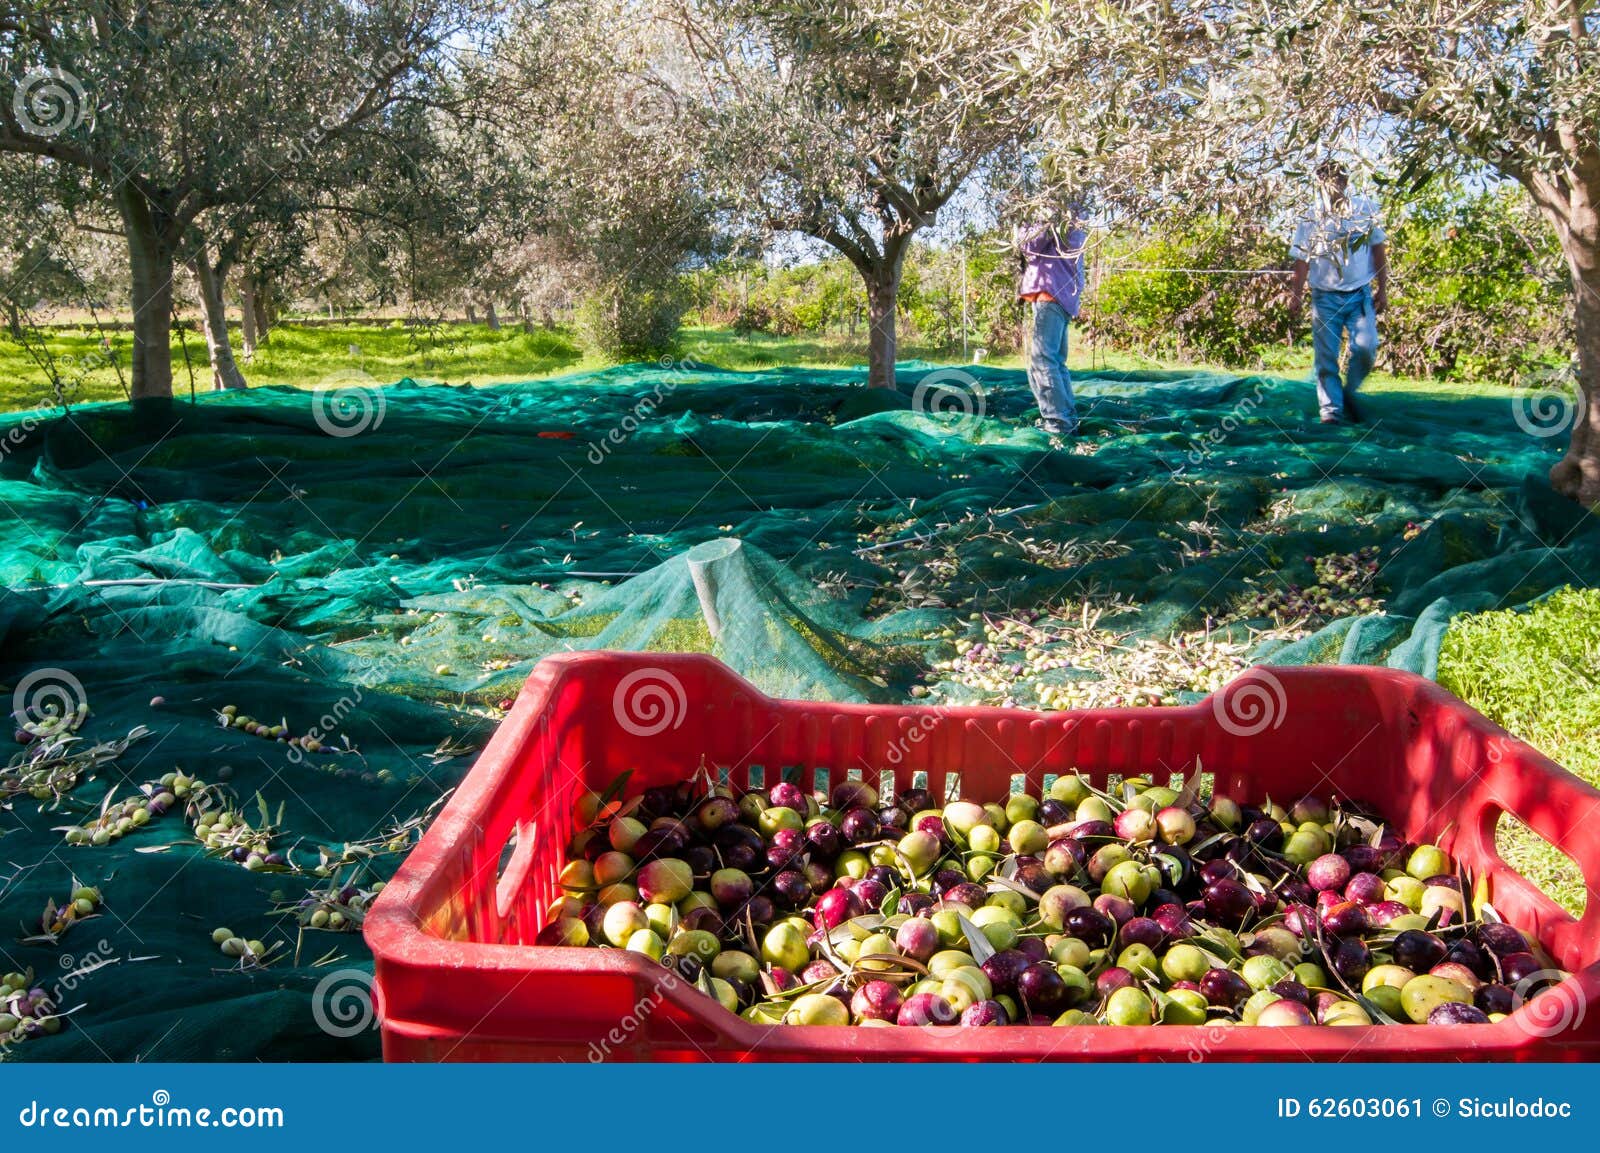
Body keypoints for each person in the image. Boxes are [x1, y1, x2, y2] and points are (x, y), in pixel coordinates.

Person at [1288, 162, 1389, 425]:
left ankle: (1350, 391)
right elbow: (1301, 259)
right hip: (1324, 297)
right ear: (1319, 183)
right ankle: (1331, 412)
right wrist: (1296, 294)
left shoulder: (1364, 210)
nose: (1333, 185)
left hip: (1360, 295)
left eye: (1338, 180)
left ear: (1345, 182)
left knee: (1367, 348)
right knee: (1326, 358)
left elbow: (1378, 251)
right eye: (1327, 181)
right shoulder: (1310, 217)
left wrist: (1383, 289)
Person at [1018, 215, 1088, 437]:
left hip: (1051, 292)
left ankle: (1058, 423)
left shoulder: (1056, 211)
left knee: (1043, 360)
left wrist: (1032, 221)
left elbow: (1030, 245)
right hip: (1061, 294)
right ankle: (1067, 417)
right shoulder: (1076, 213)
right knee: (1056, 361)